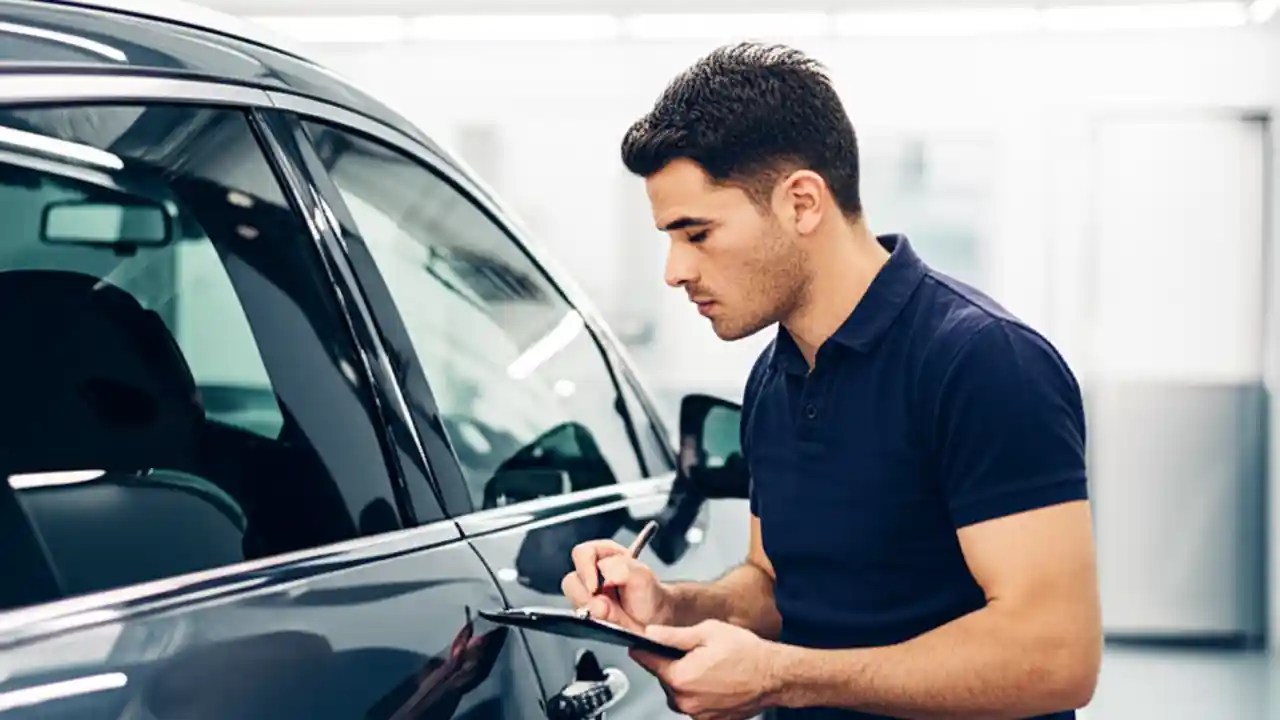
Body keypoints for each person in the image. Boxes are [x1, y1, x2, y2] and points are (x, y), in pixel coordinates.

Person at [561, 41, 1102, 720]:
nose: (674, 270)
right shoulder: (773, 376)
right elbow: (775, 585)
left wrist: (782, 677)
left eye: (696, 233)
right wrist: (671, 602)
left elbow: (1054, 657)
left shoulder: (985, 363)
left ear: (803, 203)